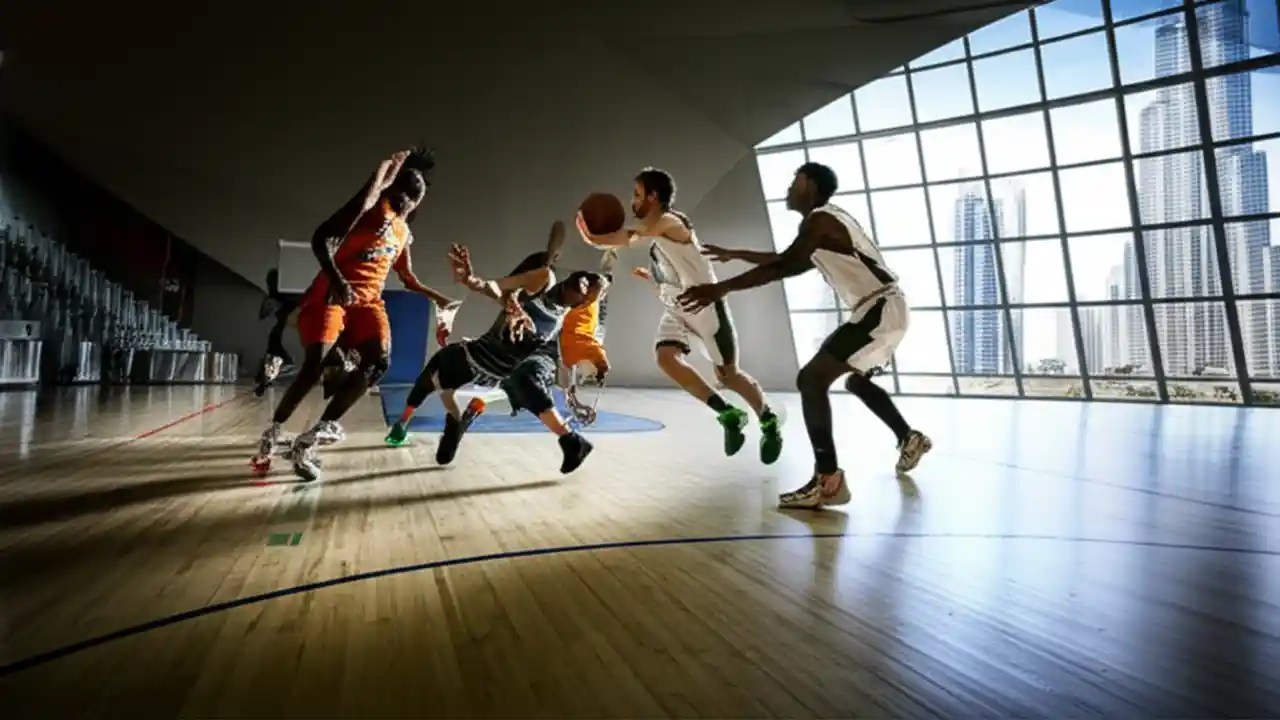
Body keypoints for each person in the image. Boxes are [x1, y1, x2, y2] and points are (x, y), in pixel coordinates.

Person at [676, 161, 932, 509]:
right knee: (855, 381)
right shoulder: (823, 225)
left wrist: (720, 289)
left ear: (810, 186)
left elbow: (786, 265)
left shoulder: (821, 220)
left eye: (795, 181)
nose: (788, 188)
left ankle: (828, 480)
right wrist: (736, 255)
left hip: (879, 309)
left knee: (811, 380)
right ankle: (909, 437)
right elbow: (788, 259)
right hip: (883, 309)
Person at [250, 148, 459, 481]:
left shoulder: (403, 231)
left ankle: (310, 439)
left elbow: (407, 278)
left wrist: (440, 298)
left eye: (415, 196)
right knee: (314, 366)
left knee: (379, 362)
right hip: (332, 294)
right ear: (392, 188)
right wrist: (338, 279)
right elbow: (322, 239)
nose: (408, 199)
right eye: (403, 191)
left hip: (367, 303)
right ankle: (274, 432)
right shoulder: (368, 211)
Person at [574, 167, 783, 464]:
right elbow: (642, 249)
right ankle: (728, 414)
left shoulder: (670, 221)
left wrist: (591, 235)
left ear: (653, 196)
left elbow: (624, 238)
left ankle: (768, 420)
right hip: (678, 307)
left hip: (706, 306)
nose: (631, 202)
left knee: (728, 375)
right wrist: (651, 279)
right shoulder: (656, 236)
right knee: (665, 357)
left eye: (636, 194)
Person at [385, 224, 604, 474]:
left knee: (526, 382)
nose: (586, 293)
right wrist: (471, 280)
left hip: (504, 369)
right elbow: (496, 288)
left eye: (590, 296)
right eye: (586, 286)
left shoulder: (561, 314)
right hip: (478, 355)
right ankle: (442, 423)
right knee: (435, 376)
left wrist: (578, 383)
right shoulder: (544, 281)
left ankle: (571, 441)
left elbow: (513, 298)